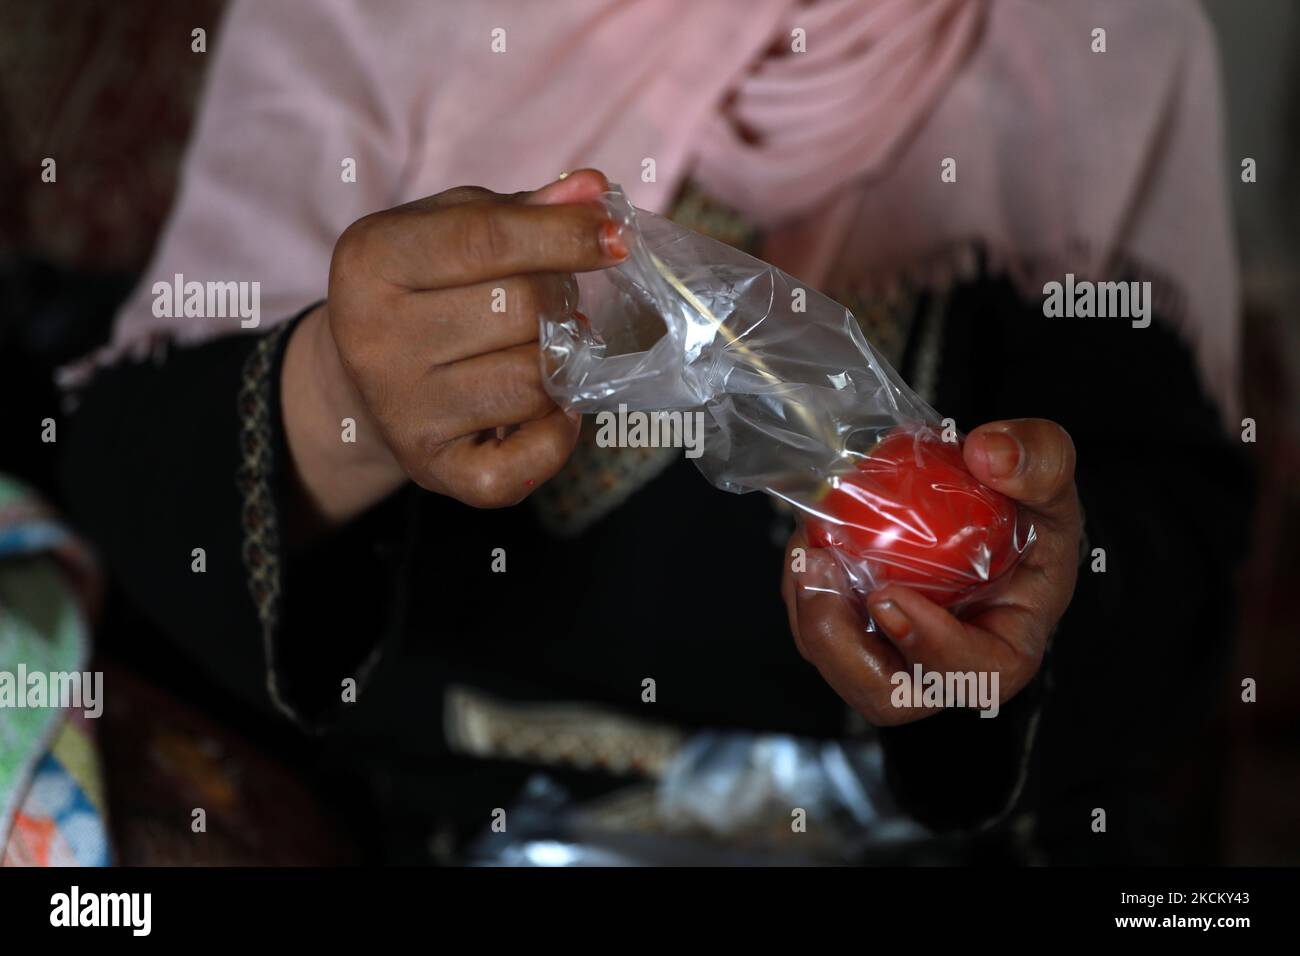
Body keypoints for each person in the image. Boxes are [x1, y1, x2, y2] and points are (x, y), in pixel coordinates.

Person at [59, 0, 1251, 863]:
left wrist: (1015, 605)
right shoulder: (369, 19)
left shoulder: (1111, 48)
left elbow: (1178, 578)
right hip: (436, 825)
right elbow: (128, 493)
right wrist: (341, 396)